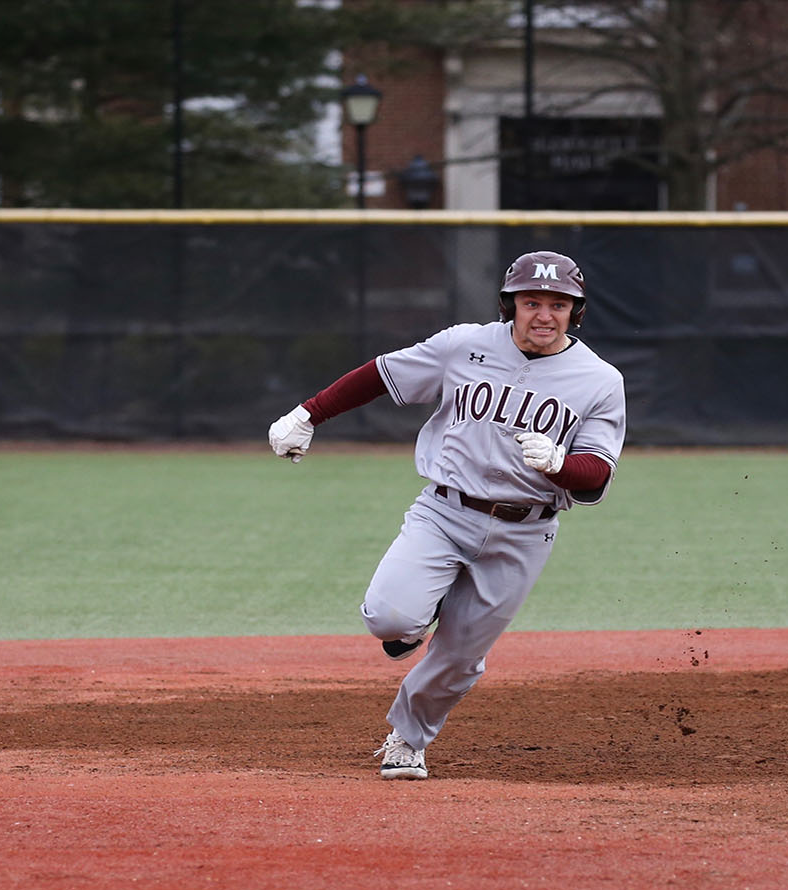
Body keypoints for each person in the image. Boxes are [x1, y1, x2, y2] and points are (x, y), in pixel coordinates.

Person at [267, 250, 627, 779]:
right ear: (511, 305)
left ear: (577, 310)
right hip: (444, 511)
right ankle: (411, 627)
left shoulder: (599, 379)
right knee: (389, 617)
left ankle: (407, 740)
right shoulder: (464, 345)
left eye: (558, 304)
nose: (544, 315)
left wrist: (560, 466)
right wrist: (308, 413)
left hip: (524, 533)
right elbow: (381, 373)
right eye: (532, 302)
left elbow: (596, 475)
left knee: (459, 659)